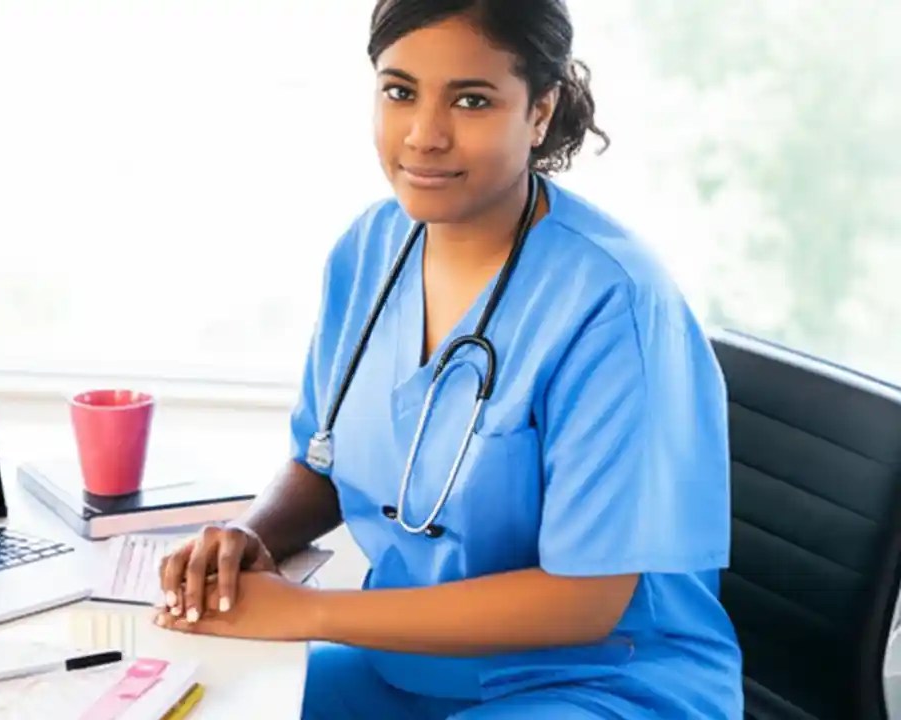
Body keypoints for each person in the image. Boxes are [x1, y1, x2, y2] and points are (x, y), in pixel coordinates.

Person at [154, 0, 742, 717]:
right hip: (417, 669)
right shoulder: (371, 249)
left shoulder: (612, 303)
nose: (424, 136)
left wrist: (303, 613)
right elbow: (325, 461)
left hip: (600, 682)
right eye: (400, 92)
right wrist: (253, 535)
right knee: (203, 705)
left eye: (471, 99)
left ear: (539, 111)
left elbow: (585, 601)